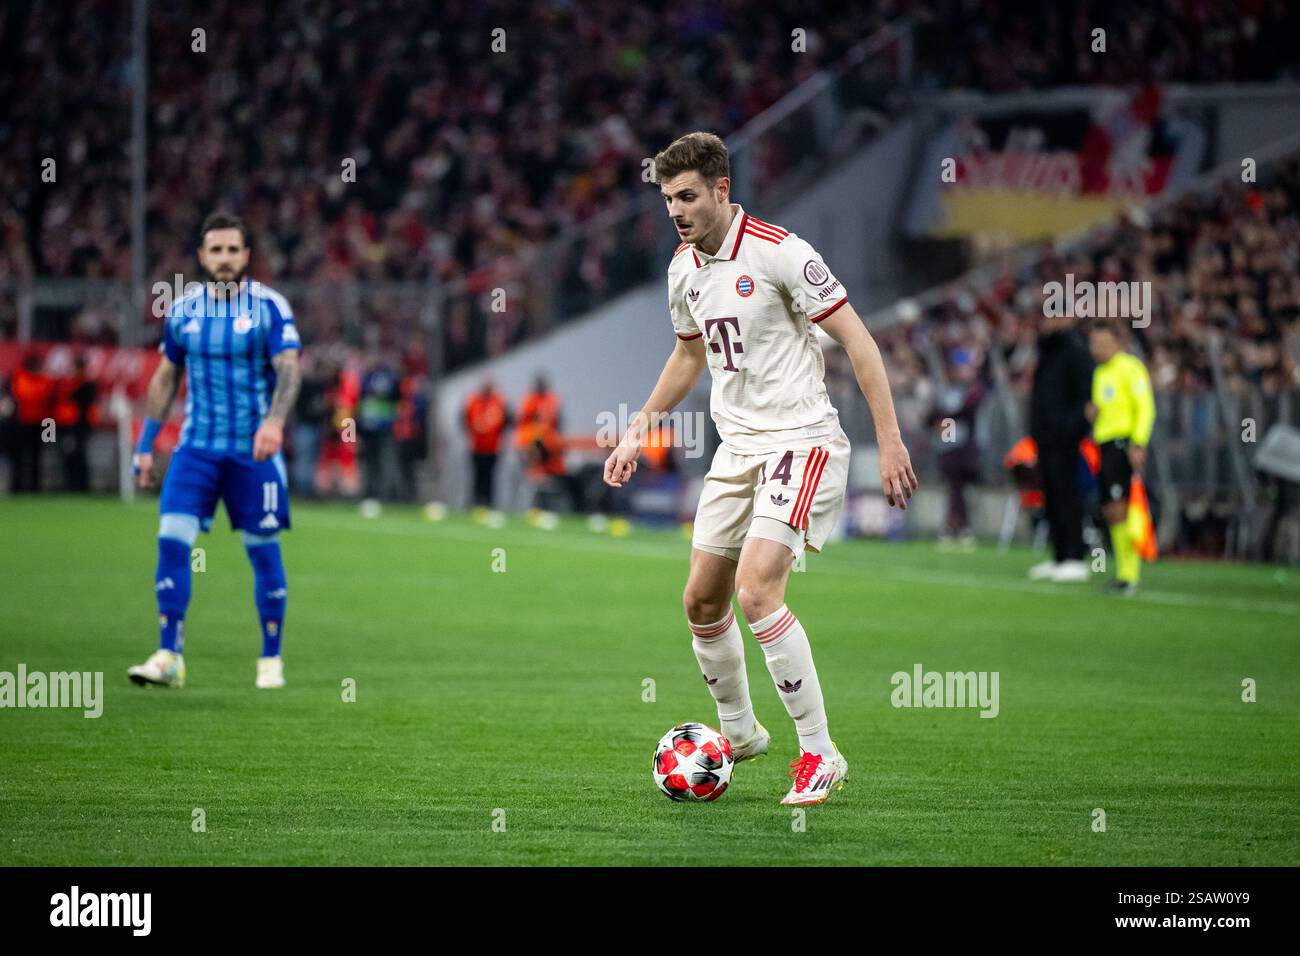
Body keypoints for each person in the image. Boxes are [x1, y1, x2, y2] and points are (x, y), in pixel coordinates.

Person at [604, 132, 917, 805]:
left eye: (687, 196)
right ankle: (740, 734)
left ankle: (820, 753)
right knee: (700, 600)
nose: (677, 210)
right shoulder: (684, 269)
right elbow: (690, 355)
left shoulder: (782, 252)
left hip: (800, 441)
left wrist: (889, 441)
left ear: (722, 189)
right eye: (667, 199)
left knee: (757, 591)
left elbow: (858, 340)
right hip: (736, 450)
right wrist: (638, 429)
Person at [127, 212, 302, 690]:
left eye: (233, 250)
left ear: (246, 255)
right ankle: (169, 655)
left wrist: (274, 423)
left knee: (262, 550)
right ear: (202, 257)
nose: (225, 259)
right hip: (197, 449)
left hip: (254, 453)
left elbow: (289, 369)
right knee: (171, 539)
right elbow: (165, 377)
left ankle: (270, 659)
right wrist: (145, 444)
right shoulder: (183, 310)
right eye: (216, 250)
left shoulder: (270, 307)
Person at [1087, 320, 1156, 595]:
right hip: (1103, 445)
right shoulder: (1100, 372)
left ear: (1118, 343)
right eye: (1094, 344)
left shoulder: (1131, 368)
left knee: (1120, 506)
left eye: (1102, 343)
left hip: (1122, 444)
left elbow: (1146, 407)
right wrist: (1094, 414)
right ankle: (1123, 572)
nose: (1097, 348)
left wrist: (1138, 443)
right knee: (1110, 509)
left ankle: (1130, 574)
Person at [1028, 313, 1094, 582]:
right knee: (1052, 497)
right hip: (1045, 438)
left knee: (1068, 495)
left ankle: (1075, 556)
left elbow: (1085, 398)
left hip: (1065, 438)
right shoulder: (1047, 351)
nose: (1049, 322)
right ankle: (1059, 555)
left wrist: (1070, 426)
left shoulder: (1076, 351)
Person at [10, 351, 54, 493]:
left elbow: (49, 403)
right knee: (20, 457)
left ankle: (34, 488)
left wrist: (50, 432)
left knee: (36, 457)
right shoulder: (20, 377)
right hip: (22, 423)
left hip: (40, 424)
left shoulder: (43, 380)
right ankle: (18, 487)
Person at [463, 378, 510, 509]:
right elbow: (464, 420)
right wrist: (469, 437)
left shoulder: (499, 401)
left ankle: (489, 504)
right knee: (477, 476)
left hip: (493, 447)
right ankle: (476, 504)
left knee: (490, 478)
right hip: (476, 446)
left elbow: (507, 420)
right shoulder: (473, 401)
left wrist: (503, 439)